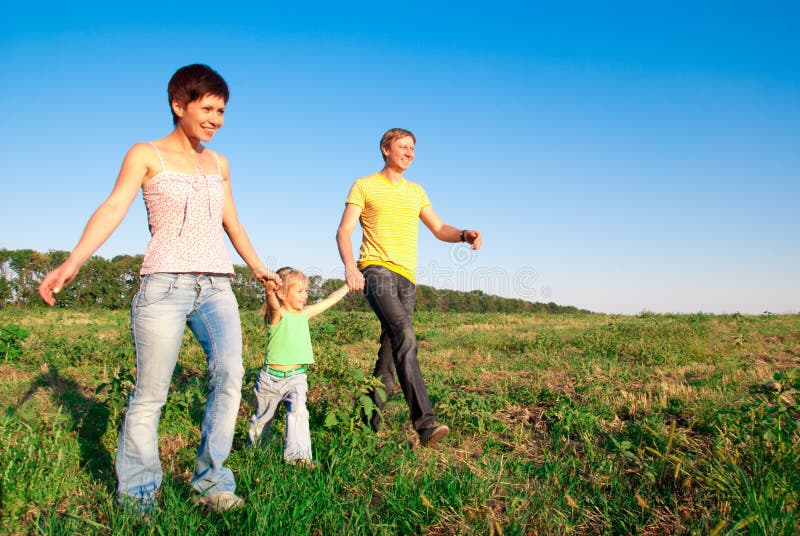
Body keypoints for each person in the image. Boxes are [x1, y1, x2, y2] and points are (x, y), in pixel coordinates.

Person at [37, 64, 279, 513]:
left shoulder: (220, 163)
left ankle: (212, 482)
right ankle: (139, 496)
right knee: (151, 393)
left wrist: (261, 269)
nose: (216, 118)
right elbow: (112, 207)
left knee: (229, 378)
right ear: (178, 105)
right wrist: (73, 262)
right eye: (207, 108)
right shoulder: (146, 154)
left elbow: (232, 223)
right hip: (163, 285)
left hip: (217, 286)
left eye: (222, 110)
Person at [336, 128, 482, 447]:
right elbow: (343, 231)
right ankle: (425, 422)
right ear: (386, 149)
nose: (410, 152)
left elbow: (439, 228)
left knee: (390, 358)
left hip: (407, 279)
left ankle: (362, 428)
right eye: (403, 146)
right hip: (376, 270)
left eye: (413, 148)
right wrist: (350, 267)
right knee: (405, 336)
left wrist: (463, 234)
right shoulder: (364, 185)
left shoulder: (416, 191)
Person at [247, 267, 349, 468]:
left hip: (296, 377)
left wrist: (348, 285)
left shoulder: (304, 314)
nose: (305, 296)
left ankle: (299, 458)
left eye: (306, 291)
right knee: (262, 419)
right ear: (283, 293)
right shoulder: (277, 316)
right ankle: (256, 453)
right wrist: (269, 292)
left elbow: (329, 300)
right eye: (300, 291)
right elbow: (274, 307)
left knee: (298, 412)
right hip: (270, 379)